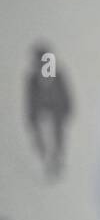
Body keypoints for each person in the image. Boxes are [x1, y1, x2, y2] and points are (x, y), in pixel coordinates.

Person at [25, 41, 73, 179]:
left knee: (55, 139)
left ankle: (54, 164)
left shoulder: (56, 75)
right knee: (43, 142)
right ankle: (47, 164)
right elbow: (30, 100)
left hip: (55, 113)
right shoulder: (33, 79)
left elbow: (64, 93)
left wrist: (66, 109)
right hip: (42, 115)